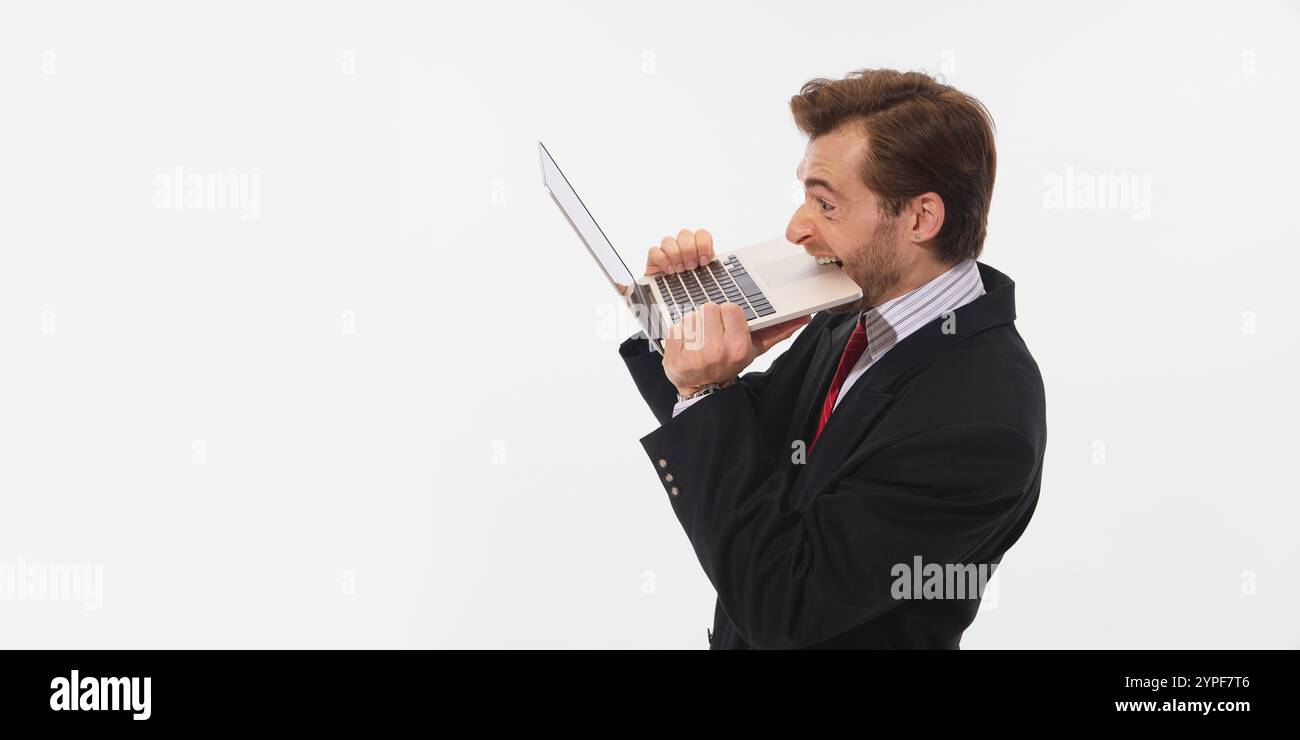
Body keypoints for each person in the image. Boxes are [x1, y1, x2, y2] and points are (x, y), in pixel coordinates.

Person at [618, 69, 1046, 649]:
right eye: (805, 196)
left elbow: (786, 605)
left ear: (921, 218)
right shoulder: (856, 308)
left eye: (827, 203)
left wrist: (705, 392)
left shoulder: (983, 422)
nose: (797, 228)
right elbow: (760, 437)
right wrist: (674, 317)